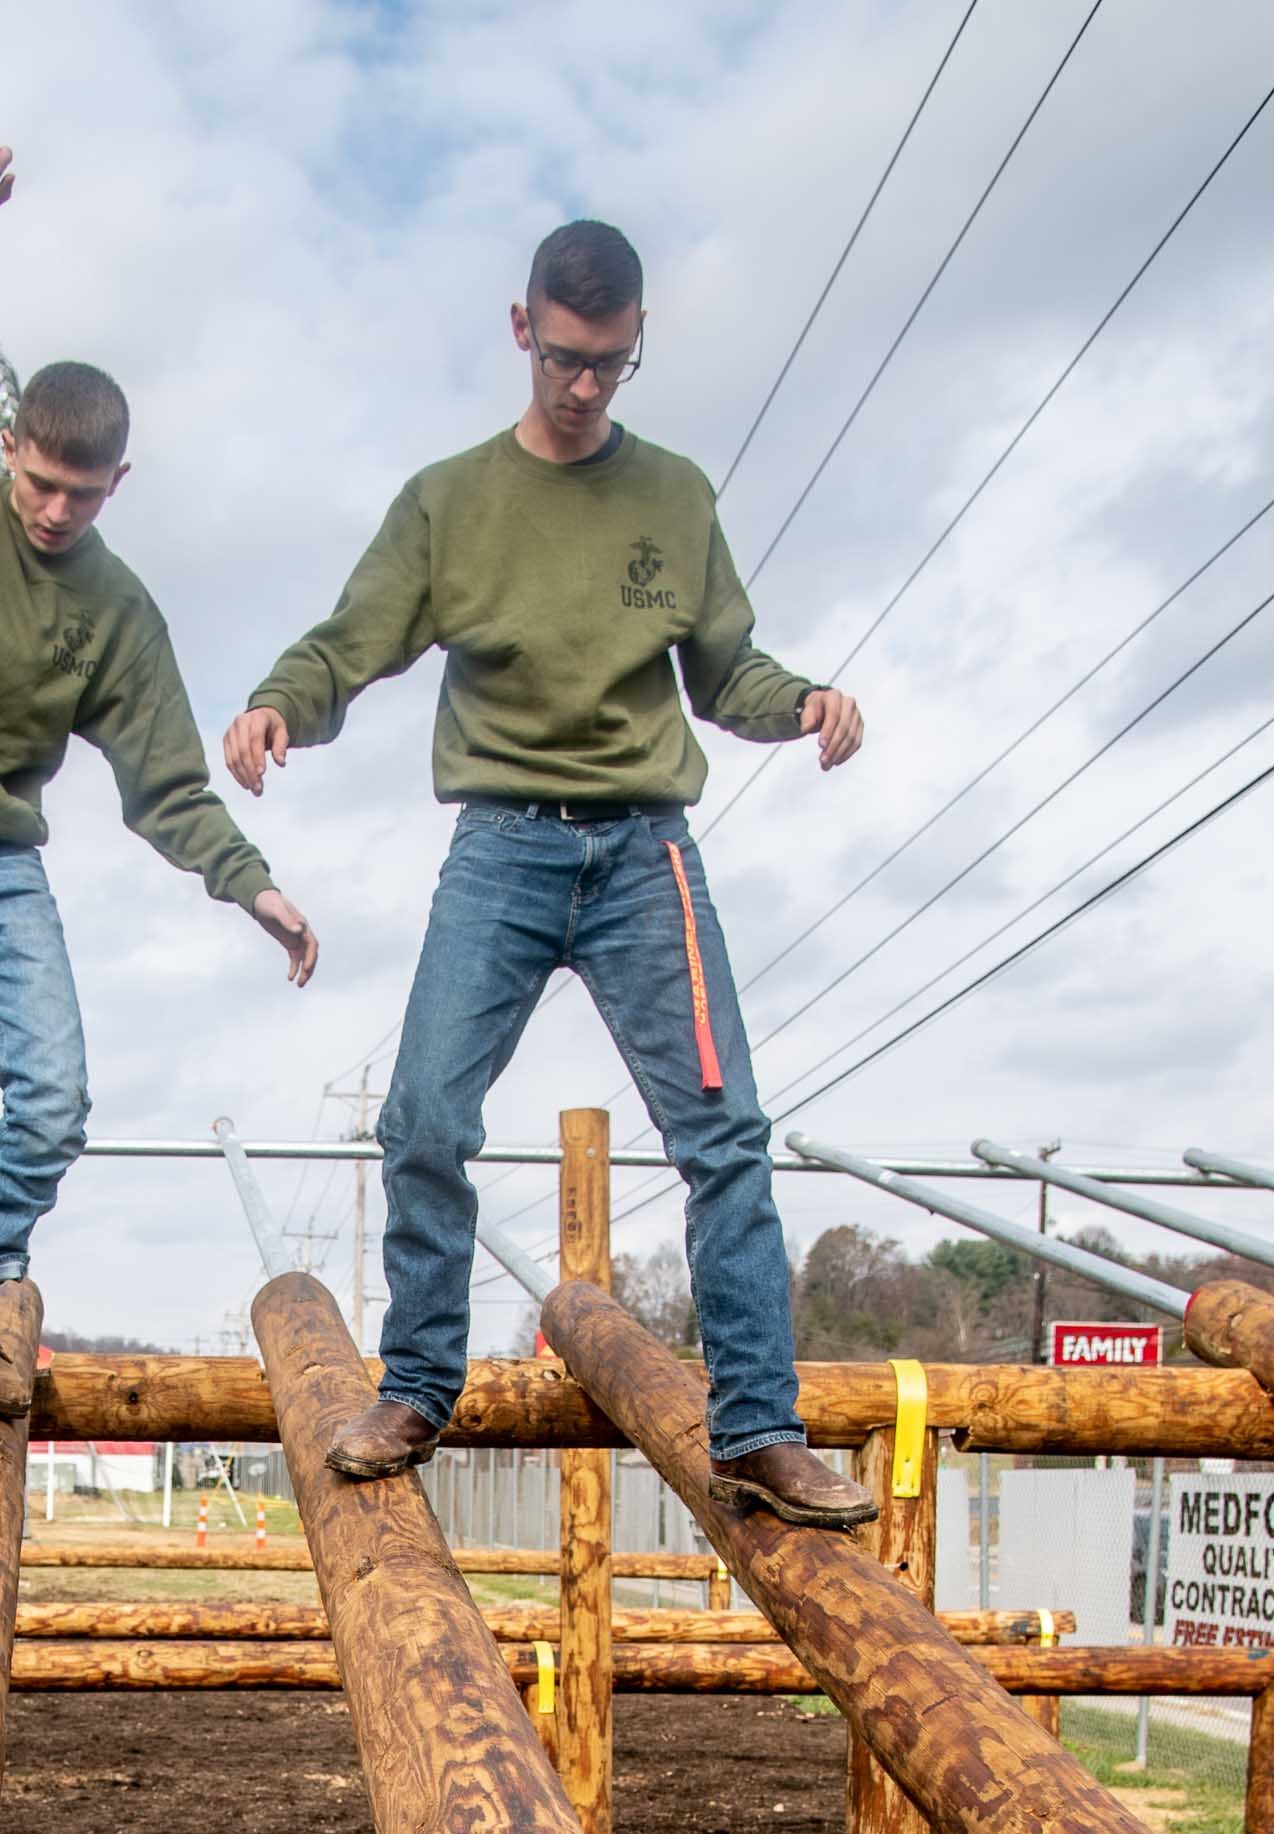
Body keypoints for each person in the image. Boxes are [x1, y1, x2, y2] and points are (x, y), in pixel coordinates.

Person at [225, 215, 869, 1522]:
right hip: (503, 848)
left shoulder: (676, 496)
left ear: (637, 348)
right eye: (565, 358)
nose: (584, 388)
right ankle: (416, 1389)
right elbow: (354, 638)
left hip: (646, 855)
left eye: (611, 364)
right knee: (421, 1119)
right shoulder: (451, 503)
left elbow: (726, 667)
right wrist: (282, 702)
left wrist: (801, 702)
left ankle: (756, 1428)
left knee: (727, 1136)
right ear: (523, 330)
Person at [0, 133, 317, 1460]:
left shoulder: (115, 609)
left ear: (117, 488)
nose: (51, 514)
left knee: (52, 1100)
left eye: (81, 498)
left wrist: (248, 882)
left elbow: (164, 781)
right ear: (6, 446)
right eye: (37, 483)